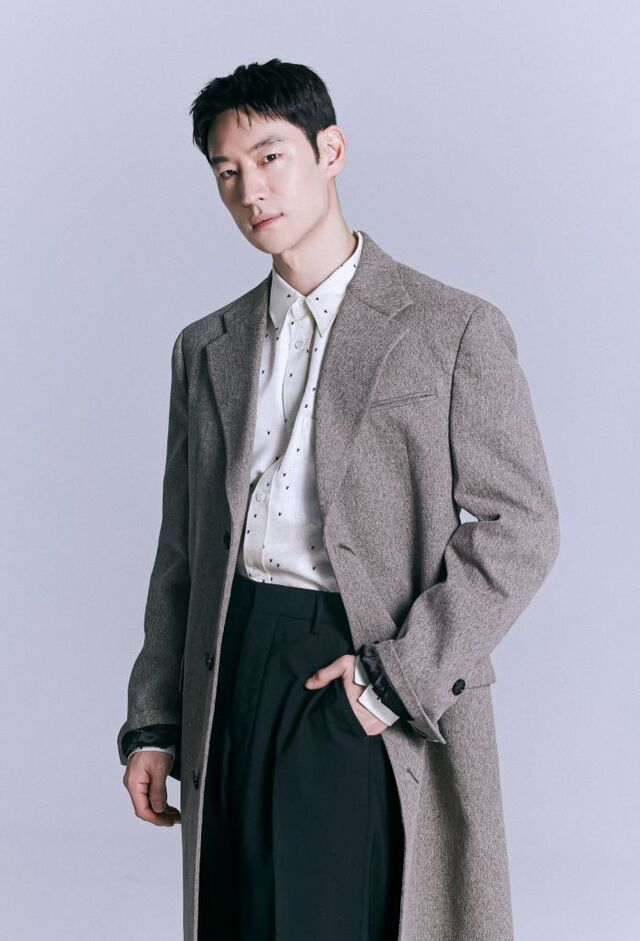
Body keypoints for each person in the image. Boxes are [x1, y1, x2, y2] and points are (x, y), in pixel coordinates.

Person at [117, 58, 560, 941]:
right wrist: (154, 721)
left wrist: (395, 678)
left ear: (331, 152)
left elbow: (523, 526)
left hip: (356, 661)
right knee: (238, 915)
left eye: (270, 157)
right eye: (226, 171)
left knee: (335, 917)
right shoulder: (206, 347)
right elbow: (182, 552)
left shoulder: (452, 327)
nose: (250, 190)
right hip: (230, 658)